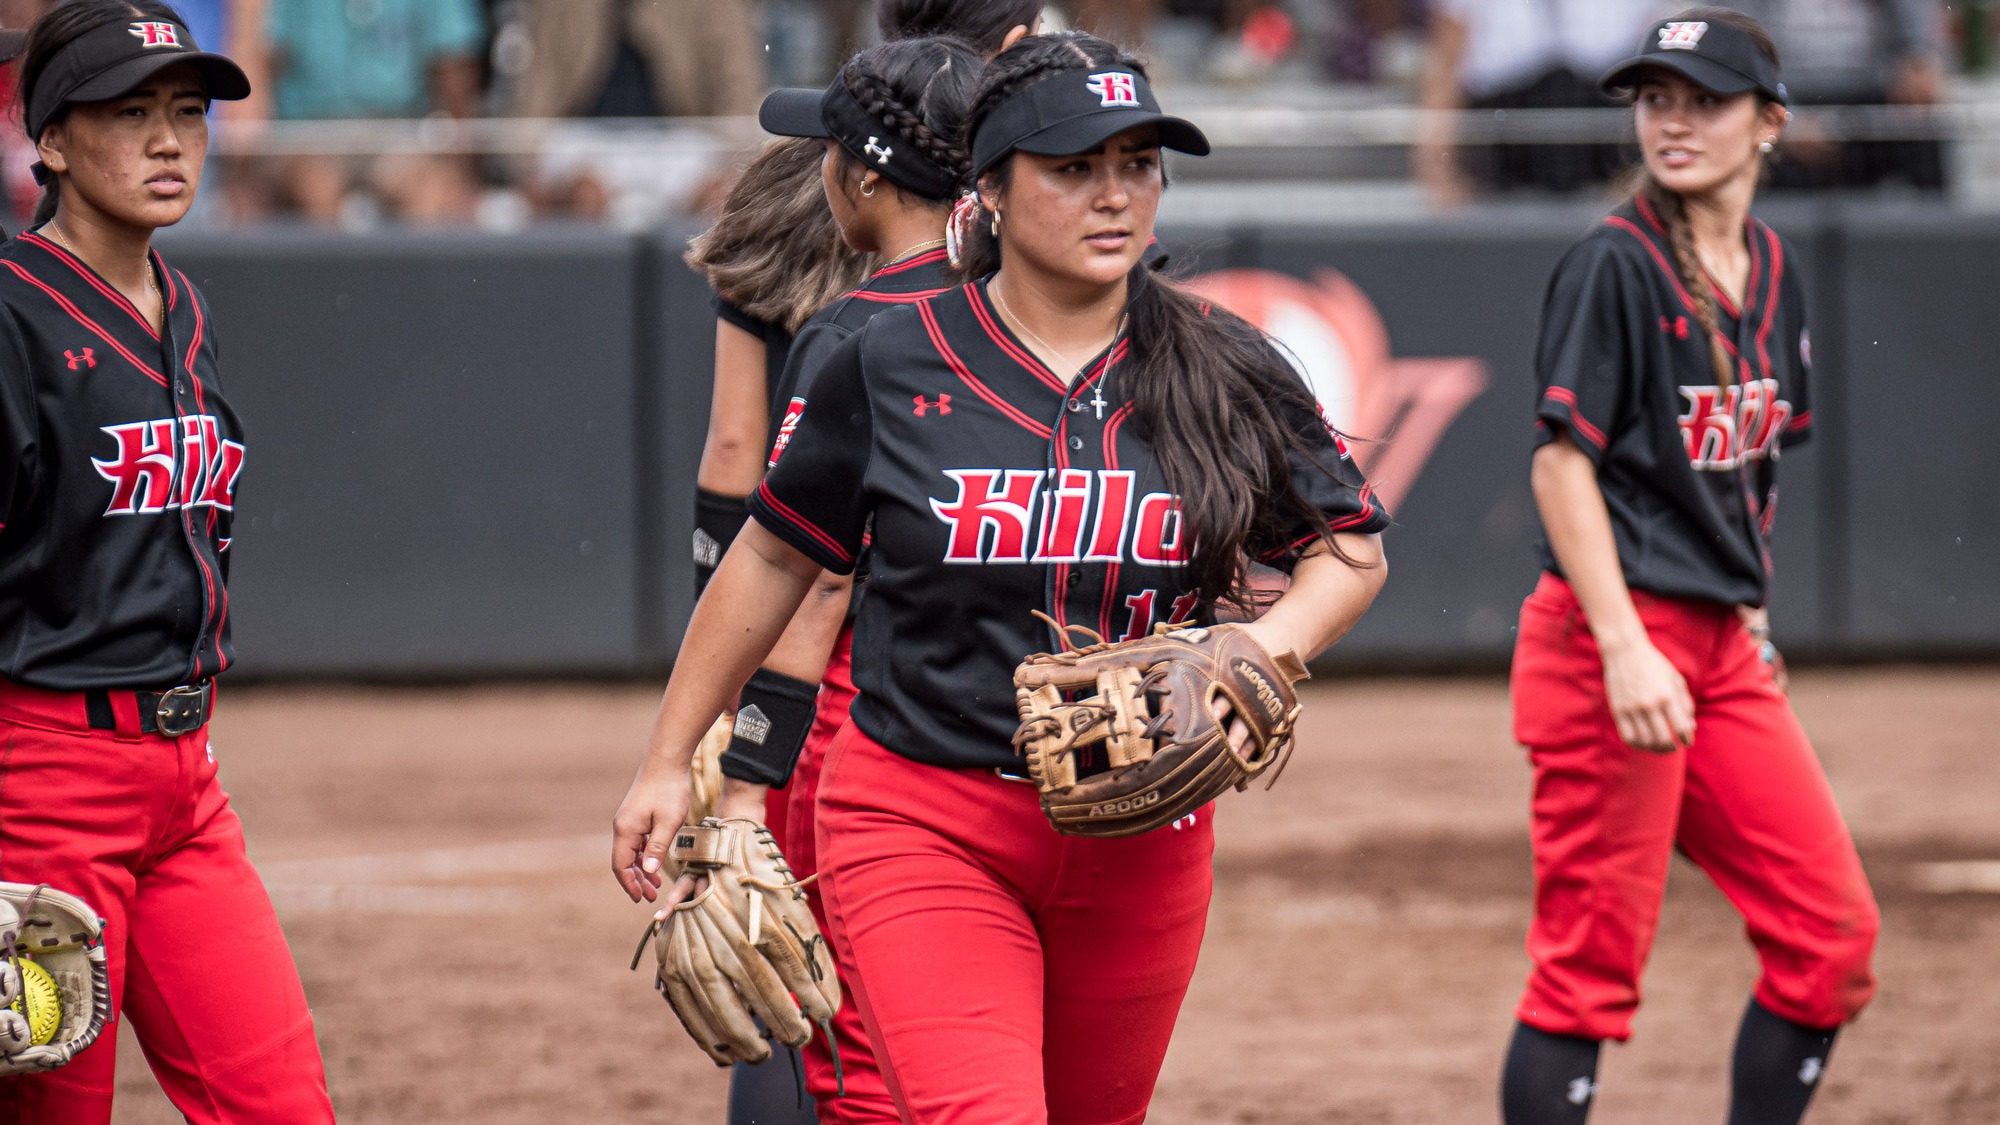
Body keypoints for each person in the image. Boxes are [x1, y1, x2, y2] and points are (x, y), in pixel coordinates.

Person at [615, 30, 1389, 1122]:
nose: (1112, 195)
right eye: (1073, 168)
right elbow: (779, 551)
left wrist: (1252, 648)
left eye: (1136, 165)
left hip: (1143, 841)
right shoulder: (886, 360)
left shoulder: (1221, 362)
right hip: (924, 819)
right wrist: (668, 762)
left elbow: (1346, 549)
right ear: (988, 186)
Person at [1502, 10, 1879, 1124]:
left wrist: (1751, 608)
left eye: (1702, 101)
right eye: (1655, 98)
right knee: (1587, 969)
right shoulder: (1609, 265)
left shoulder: (1773, 265)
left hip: (1714, 644)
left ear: (1768, 124)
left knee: (1831, 939)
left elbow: (1750, 466)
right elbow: (1559, 469)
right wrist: (1622, 648)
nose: (1671, 121)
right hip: (1606, 637)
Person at [0, 2, 336, 1120]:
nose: (167, 141)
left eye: (187, 113)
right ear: (48, 141)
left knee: (283, 1105)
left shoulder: (181, 305)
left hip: (186, 787)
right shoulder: (13, 319)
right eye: (129, 113)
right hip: (39, 788)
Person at [1416, 0, 1667, 207]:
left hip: (1605, 144)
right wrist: (1437, 168)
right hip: (1505, 143)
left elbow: (1660, 68)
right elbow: (1444, 74)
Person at [266, 0, 485, 224]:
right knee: (315, 190)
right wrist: (245, 172)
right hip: (311, 132)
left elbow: (455, 60)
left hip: (399, 130)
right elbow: (265, 58)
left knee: (430, 195)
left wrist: (462, 166)